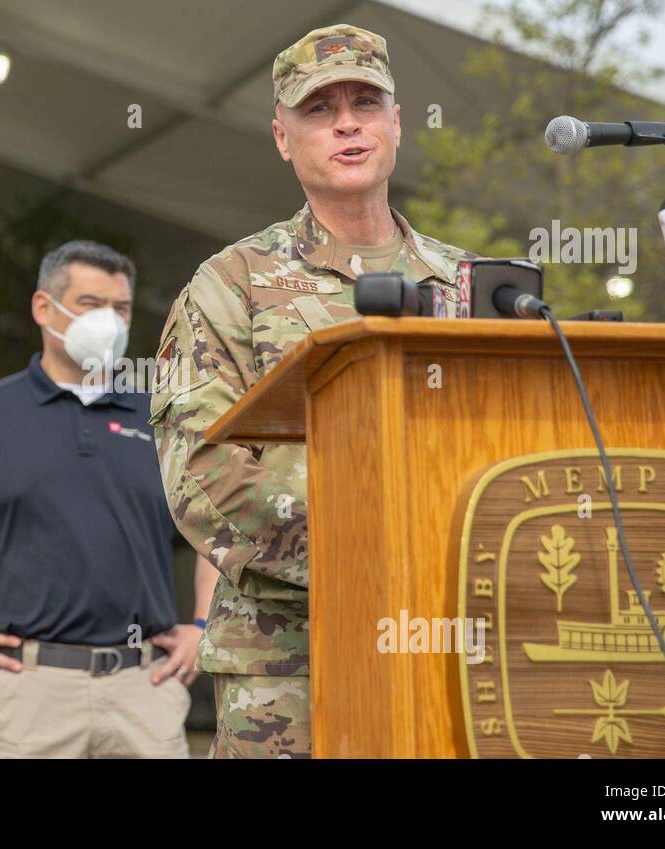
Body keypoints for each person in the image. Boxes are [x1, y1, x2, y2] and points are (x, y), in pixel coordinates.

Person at [150, 25, 480, 758]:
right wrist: (372, 546)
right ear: (281, 136)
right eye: (318, 108)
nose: (347, 122)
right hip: (292, 672)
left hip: (452, 646)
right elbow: (201, 475)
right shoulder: (229, 286)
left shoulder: (469, 283)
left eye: (366, 101)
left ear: (397, 121)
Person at [0, 240, 217, 758]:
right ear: (43, 307)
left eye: (120, 308)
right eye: (89, 304)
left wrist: (202, 627)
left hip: (144, 691)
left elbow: (214, 524)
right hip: (25, 694)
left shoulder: (162, 418)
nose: (109, 321)